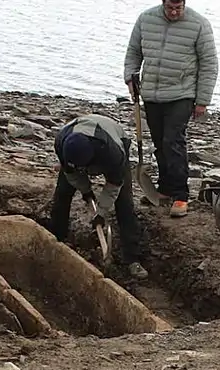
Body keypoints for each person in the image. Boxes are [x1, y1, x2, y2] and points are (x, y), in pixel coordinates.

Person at [124, 0, 218, 218]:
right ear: (163, 1)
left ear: (184, 2)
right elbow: (134, 51)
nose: (174, 12)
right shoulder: (146, 19)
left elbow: (209, 64)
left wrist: (202, 100)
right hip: (152, 93)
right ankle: (164, 188)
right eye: (170, 7)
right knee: (159, 142)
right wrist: (130, 77)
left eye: (178, 7)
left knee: (173, 142)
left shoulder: (199, 24)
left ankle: (180, 195)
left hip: (182, 93)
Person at [49, 113, 148, 279]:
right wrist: (86, 192)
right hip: (78, 139)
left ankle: (132, 258)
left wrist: (101, 212)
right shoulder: (62, 143)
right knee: (62, 195)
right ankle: (55, 241)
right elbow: (71, 174)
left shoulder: (113, 153)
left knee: (124, 203)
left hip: (115, 137)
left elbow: (114, 185)